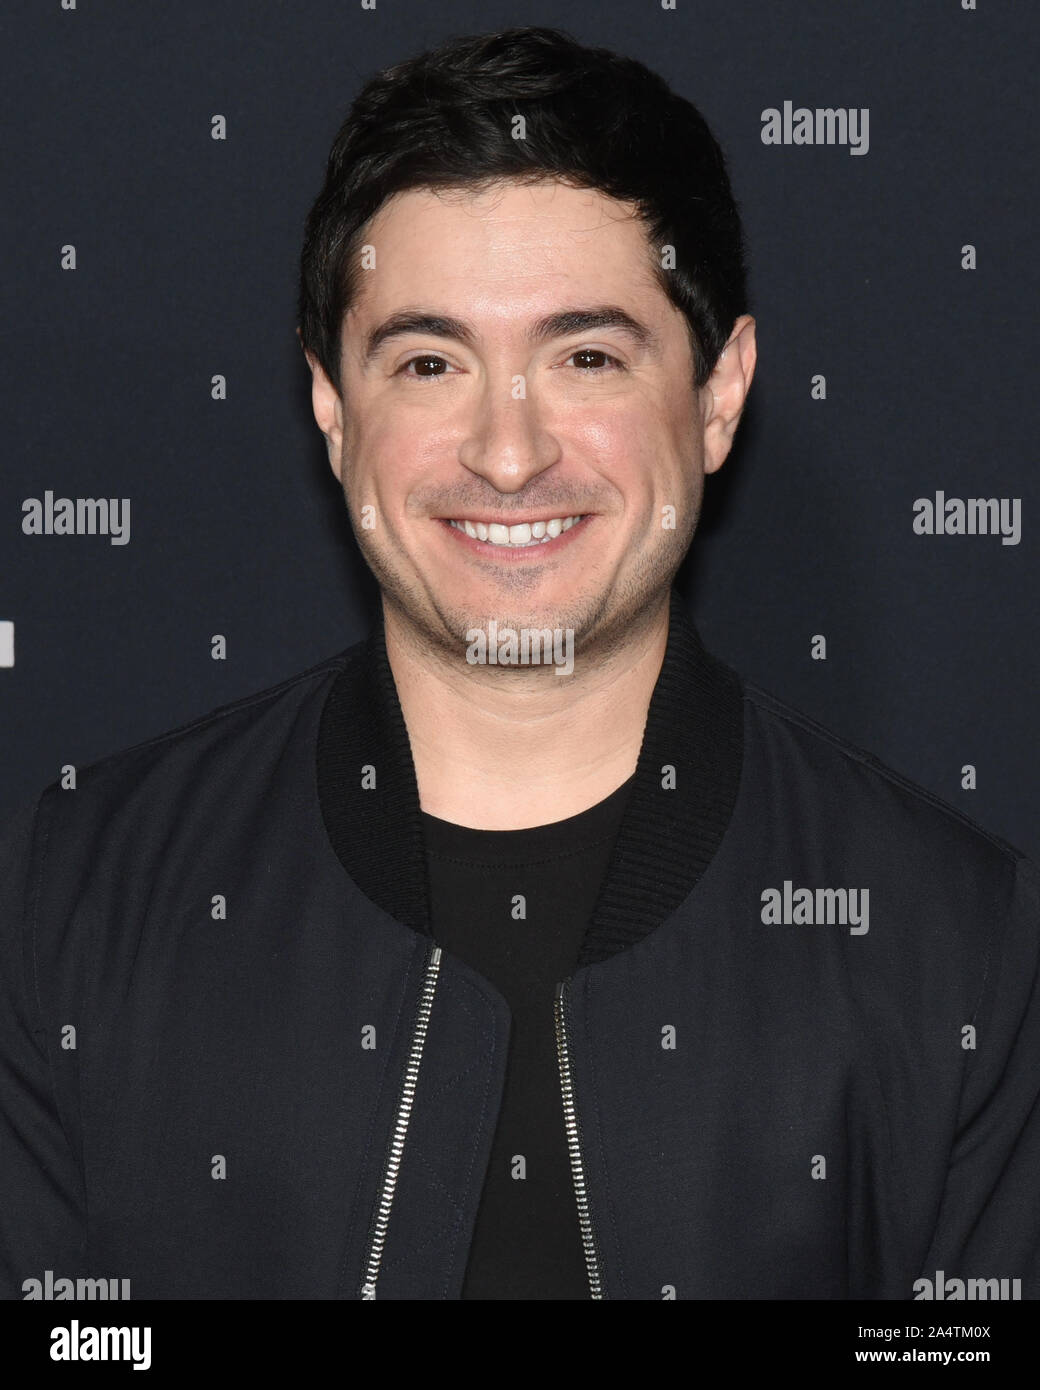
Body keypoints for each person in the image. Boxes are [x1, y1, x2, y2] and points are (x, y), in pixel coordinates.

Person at [2, 25, 1038, 1302]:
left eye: (585, 357)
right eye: (430, 362)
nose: (506, 452)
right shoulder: (69, 901)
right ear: (331, 405)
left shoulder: (961, 945)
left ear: (717, 396)